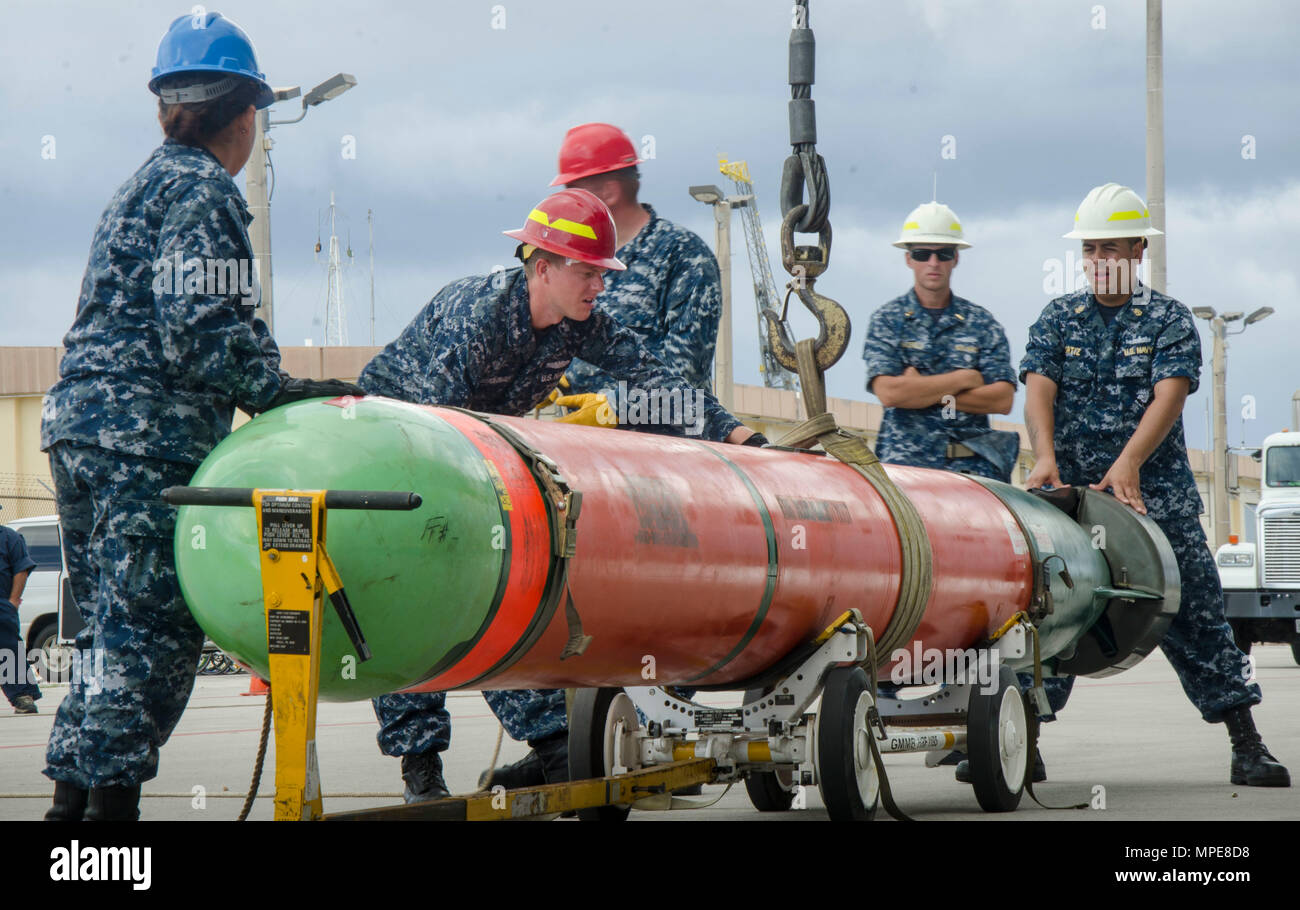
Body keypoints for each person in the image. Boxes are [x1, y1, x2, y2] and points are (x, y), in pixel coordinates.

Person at [39, 12, 359, 822]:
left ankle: (68, 814)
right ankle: (109, 830)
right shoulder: (200, 191)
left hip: (84, 429)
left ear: (166, 109)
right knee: (149, 638)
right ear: (245, 115)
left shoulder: (141, 184)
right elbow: (200, 336)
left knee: (106, 635)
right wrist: (292, 395)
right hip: (143, 443)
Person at [360, 188, 763, 800]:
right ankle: (421, 769)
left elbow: (658, 379)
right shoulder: (483, 315)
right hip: (395, 451)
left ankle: (553, 747)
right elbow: (432, 426)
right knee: (415, 600)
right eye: (587, 271)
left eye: (603, 272)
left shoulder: (578, 324)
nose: (598, 285)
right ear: (542, 268)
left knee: (498, 595)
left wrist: (742, 437)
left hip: (471, 453)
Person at [1017, 182, 1289, 787]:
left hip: (1153, 502)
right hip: (1072, 504)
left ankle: (1247, 744)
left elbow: (1169, 396)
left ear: (1138, 249)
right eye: (1089, 249)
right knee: (1046, 615)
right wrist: (1043, 457)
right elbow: (1038, 386)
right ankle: (1020, 740)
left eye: (1110, 247)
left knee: (1198, 616)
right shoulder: (1058, 317)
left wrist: (1130, 463)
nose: (1098, 260)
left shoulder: (1168, 319)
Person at [863, 201, 1061, 781]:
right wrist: (961, 381)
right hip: (904, 486)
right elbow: (889, 394)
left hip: (972, 487)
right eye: (921, 253)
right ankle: (900, 704)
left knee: (991, 605)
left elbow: (1002, 399)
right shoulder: (886, 320)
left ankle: (1008, 729)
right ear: (907, 258)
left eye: (943, 253)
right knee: (907, 594)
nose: (932, 262)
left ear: (956, 259)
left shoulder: (982, 323)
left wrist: (924, 385)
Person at [0, 506, 40, 715]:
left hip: (2, 605)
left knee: (8, 649)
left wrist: (13, 601)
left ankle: (22, 696)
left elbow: (21, 569)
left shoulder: (10, 538)